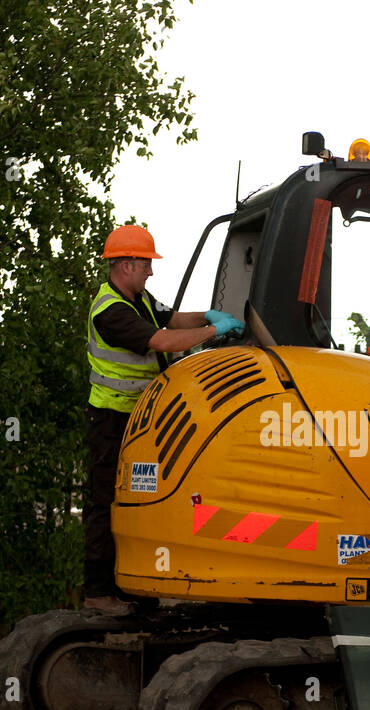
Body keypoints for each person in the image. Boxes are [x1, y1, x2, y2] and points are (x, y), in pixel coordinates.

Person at [83, 224, 244, 615]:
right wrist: (211, 331)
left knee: (140, 495)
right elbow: (163, 341)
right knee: (105, 503)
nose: (150, 272)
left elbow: (170, 319)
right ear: (124, 264)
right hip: (110, 419)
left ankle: (133, 586)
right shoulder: (112, 311)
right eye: (145, 265)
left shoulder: (135, 297)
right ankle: (98, 593)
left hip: (137, 418)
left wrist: (206, 314)